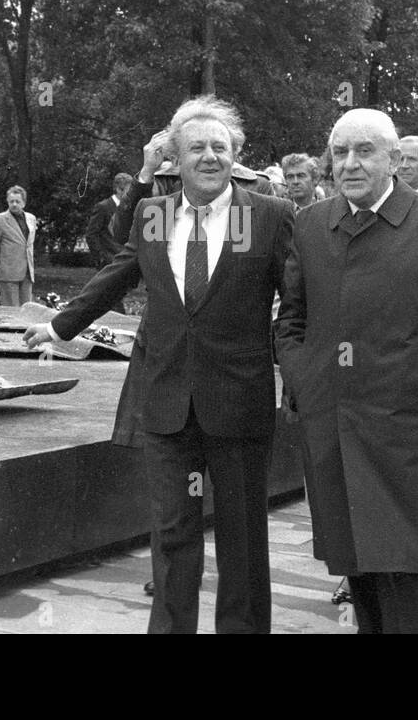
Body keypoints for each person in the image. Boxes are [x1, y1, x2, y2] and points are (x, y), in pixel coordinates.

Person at [23, 95, 294, 634]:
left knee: (243, 539)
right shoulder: (153, 213)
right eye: (197, 147)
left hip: (240, 404)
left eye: (221, 146)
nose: (210, 156)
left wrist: (307, 372)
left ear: (237, 155)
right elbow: (121, 271)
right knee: (172, 536)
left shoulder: (269, 216)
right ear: (174, 157)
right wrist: (60, 326)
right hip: (167, 403)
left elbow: (298, 304)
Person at [276, 108, 418, 634]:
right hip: (332, 427)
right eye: (341, 151)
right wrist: (306, 379)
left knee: (402, 569)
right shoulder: (311, 223)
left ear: (394, 160)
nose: (350, 163)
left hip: (405, 434)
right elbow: (291, 319)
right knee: (353, 571)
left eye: (364, 150)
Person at [0, 185, 37, 306]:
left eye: (17, 201)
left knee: (27, 311)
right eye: (11, 201)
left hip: (27, 272)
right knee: (11, 312)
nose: (14, 204)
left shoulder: (31, 218)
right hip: (8, 273)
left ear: (24, 203)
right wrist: (5, 261)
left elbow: (28, 244)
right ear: (7, 202)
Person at [86, 174, 132, 266]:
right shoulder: (103, 207)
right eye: (129, 191)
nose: (132, 194)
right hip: (110, 262)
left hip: (127, 261)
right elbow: (91, 234)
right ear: (119, 189)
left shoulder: (130, 208)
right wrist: (102, 258)